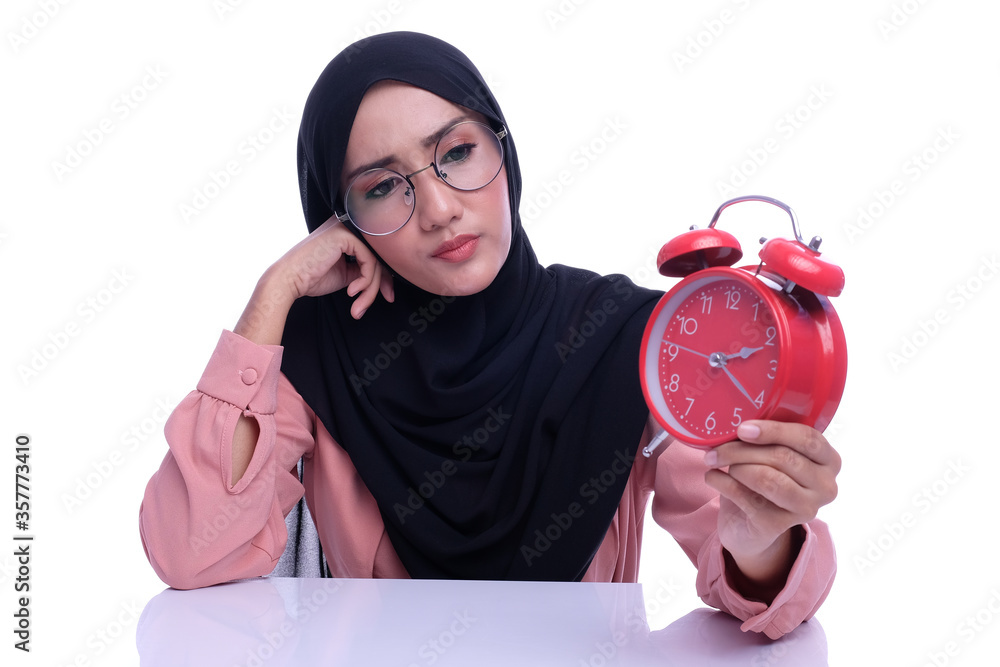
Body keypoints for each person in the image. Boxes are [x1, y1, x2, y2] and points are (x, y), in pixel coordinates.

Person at [138, 31, 839, 639]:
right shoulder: (319, 359)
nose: (439, 208)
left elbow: (763, 589)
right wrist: (274, 294)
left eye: (457, 152)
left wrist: (759, 541)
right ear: (338, 219)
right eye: (381, 188)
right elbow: (192, 553)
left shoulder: (626, 337)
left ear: (504, 150)